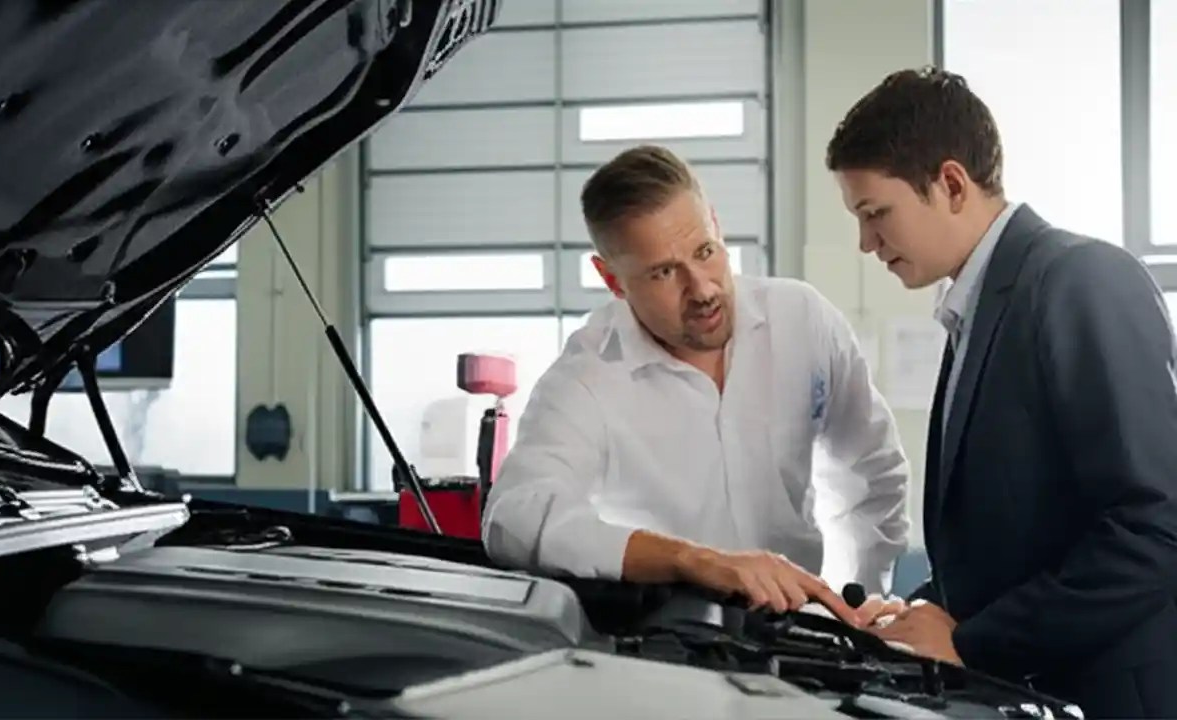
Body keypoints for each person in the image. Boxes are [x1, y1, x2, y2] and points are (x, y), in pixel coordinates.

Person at [825, 67, 1177, 718]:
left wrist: (971, 642)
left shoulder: (1081, 279)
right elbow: (1024, 530)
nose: (866, 243)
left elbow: (1155, 526)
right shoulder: (979, 310)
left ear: (951, 184)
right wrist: (926, 612)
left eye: (877, 215)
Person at [481, 144, 912, 627]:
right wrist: (693, 561)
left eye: (705, 252)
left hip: (802, 640)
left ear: (716, 224)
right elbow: (513, 519)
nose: (702, 288)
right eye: (665, 272)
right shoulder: (586, 378)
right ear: (612, 280)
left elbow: (872, 470)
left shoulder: (803, 321)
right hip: (665, 648)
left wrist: (854, 598)